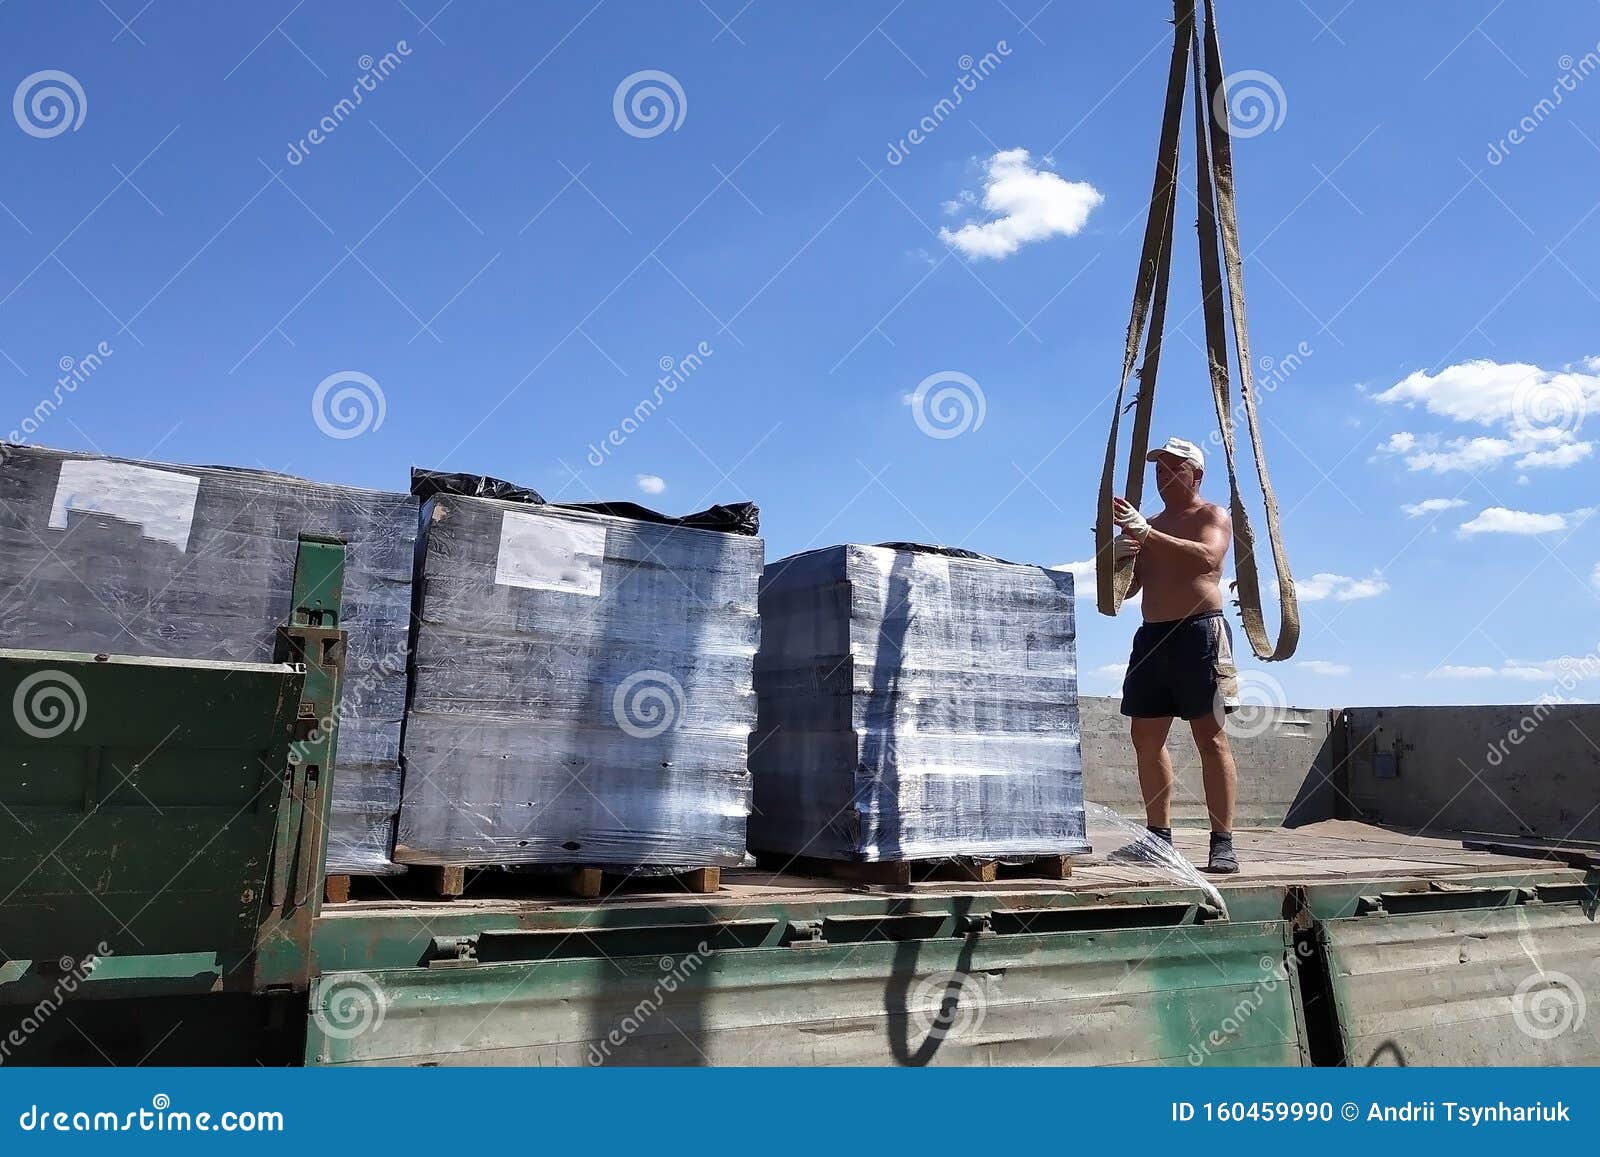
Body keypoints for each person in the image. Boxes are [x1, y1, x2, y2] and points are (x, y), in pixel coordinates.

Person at [1110, 436, 1241, 874]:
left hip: (1200, 634)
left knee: (1211, 738)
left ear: (1196, 474)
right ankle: (1158, 839)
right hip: (1153, 638)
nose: (1164, 476)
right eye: (1159, 470)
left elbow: (1209, 559)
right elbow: (1128, 591)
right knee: (1145, 739)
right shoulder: (1147, 524)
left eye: (1174, 468)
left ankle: (1222, 842)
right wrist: (1119, 557)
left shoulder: (1212, 515)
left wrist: (1148, 534)